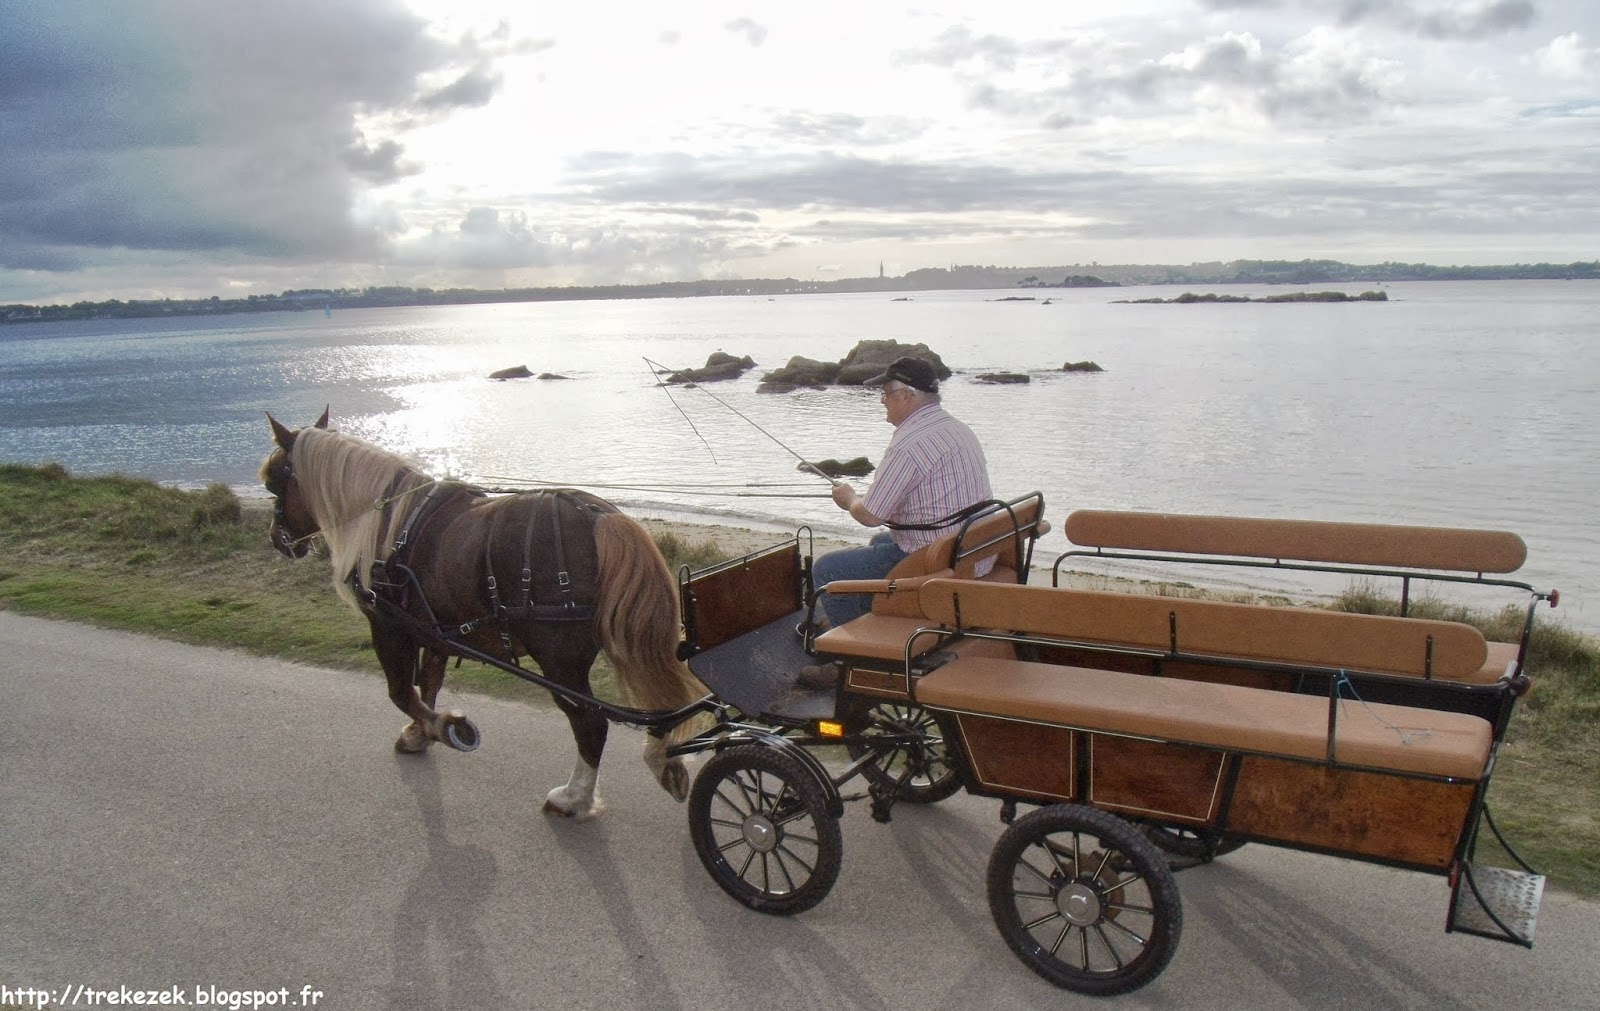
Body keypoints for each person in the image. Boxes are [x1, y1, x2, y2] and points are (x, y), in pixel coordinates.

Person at [811, 356, 993, 630]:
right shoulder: (957, 429)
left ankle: (848, 647)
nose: (882, 400)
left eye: (886, 393)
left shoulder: (909, 444)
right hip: (976, 550)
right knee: (879, 541)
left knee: (827, 569)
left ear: (906, 395)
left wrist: (848, 500)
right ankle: (870, 620)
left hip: (944, 560)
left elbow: (870, 515)